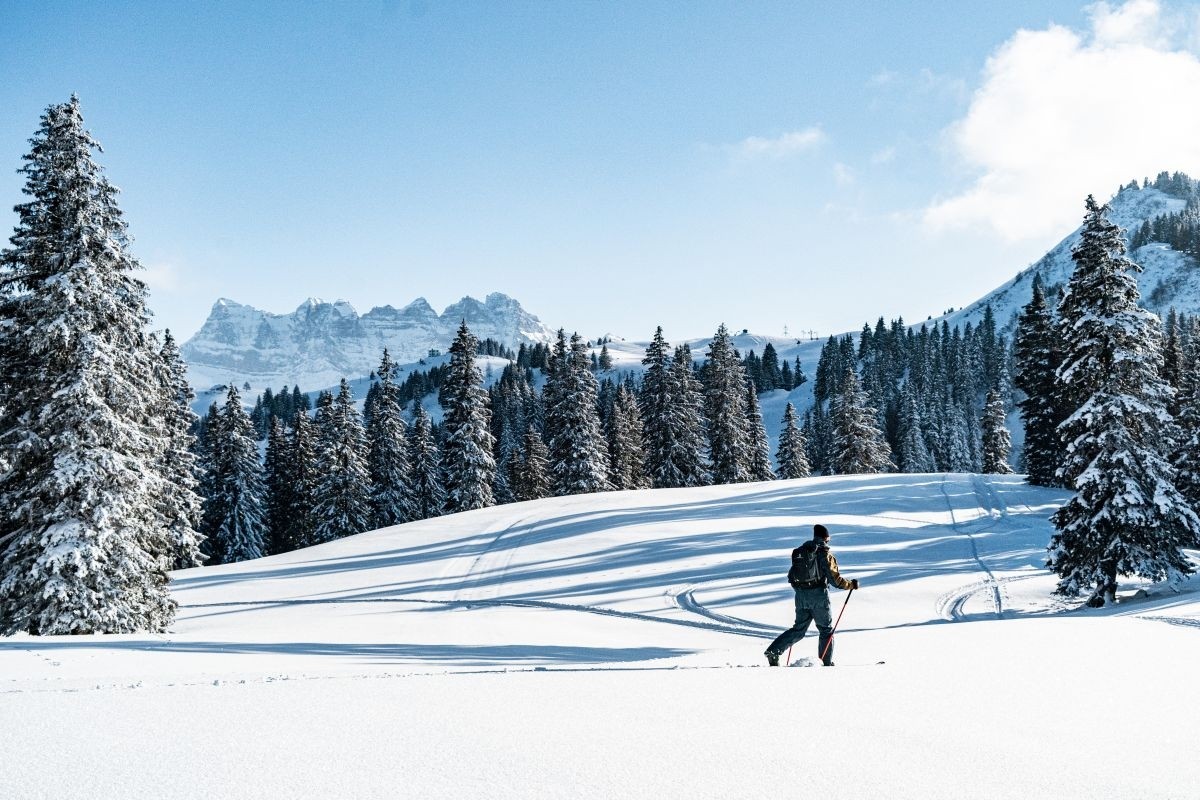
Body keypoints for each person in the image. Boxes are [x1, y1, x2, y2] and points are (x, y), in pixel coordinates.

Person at [764, 524, 859, 667]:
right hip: (819, 596)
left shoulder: (801, 551)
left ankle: (774, 651)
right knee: (825, 630)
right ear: (826, 538)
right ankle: (825, 663)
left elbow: (791, 576)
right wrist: (850, 585)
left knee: (798, 629)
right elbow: (835, 580)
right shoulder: (824, 554)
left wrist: (801, 591)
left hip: (801, 596)